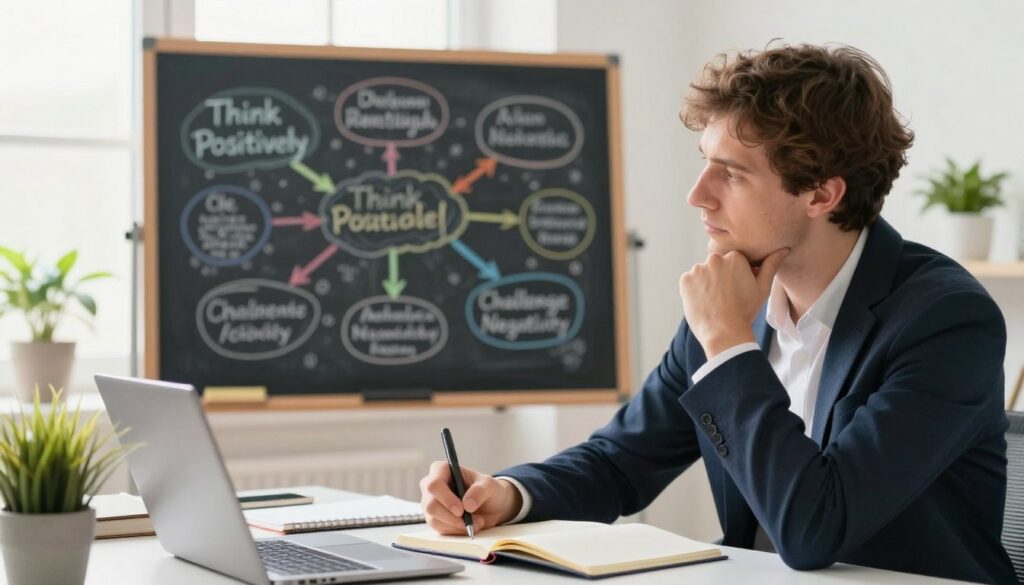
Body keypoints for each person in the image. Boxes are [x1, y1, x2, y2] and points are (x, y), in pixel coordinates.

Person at [418, 43, 1016, 584]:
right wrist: (509, 493)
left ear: (821, 194)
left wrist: (729, 344)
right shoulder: (735, 299)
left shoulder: (947, 321)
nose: (698, 193)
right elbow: (622, 460)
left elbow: (818, 530)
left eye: (730, 173)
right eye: (706, 162)